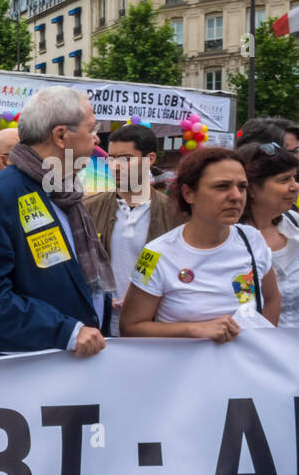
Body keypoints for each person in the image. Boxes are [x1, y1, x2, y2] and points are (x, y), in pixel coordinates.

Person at [0, 86, 111, 360]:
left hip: (63, 366)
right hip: (20, 372)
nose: (97, 138)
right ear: (61, 135)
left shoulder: (64, 193)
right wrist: (65, 331)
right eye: (92, 127)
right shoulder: (0, 194)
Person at [121, 145, 279, 338]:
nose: (236, 196)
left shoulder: (252, 239)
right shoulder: (154, 254)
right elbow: (130, 327)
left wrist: (263, 345)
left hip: (245, 367)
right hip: (184, 367)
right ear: (189, 194)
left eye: (242, 187)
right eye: (222, 186)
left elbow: (271, 299)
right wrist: (194, 330)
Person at [84, 124, 183, 335]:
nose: (116, 166)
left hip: (156, 329)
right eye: (111, 158)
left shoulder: (177, 214)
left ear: (150, 159)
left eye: (126, 159)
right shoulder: (89, 209)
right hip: (100, 328)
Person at [238, 141, 299, 326]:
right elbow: (242, 304)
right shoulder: (232, 240)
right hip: (259, 347)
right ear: (253, 188)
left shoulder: (295, 223)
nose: (295, 186)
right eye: (284, 180)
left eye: (295, 178)